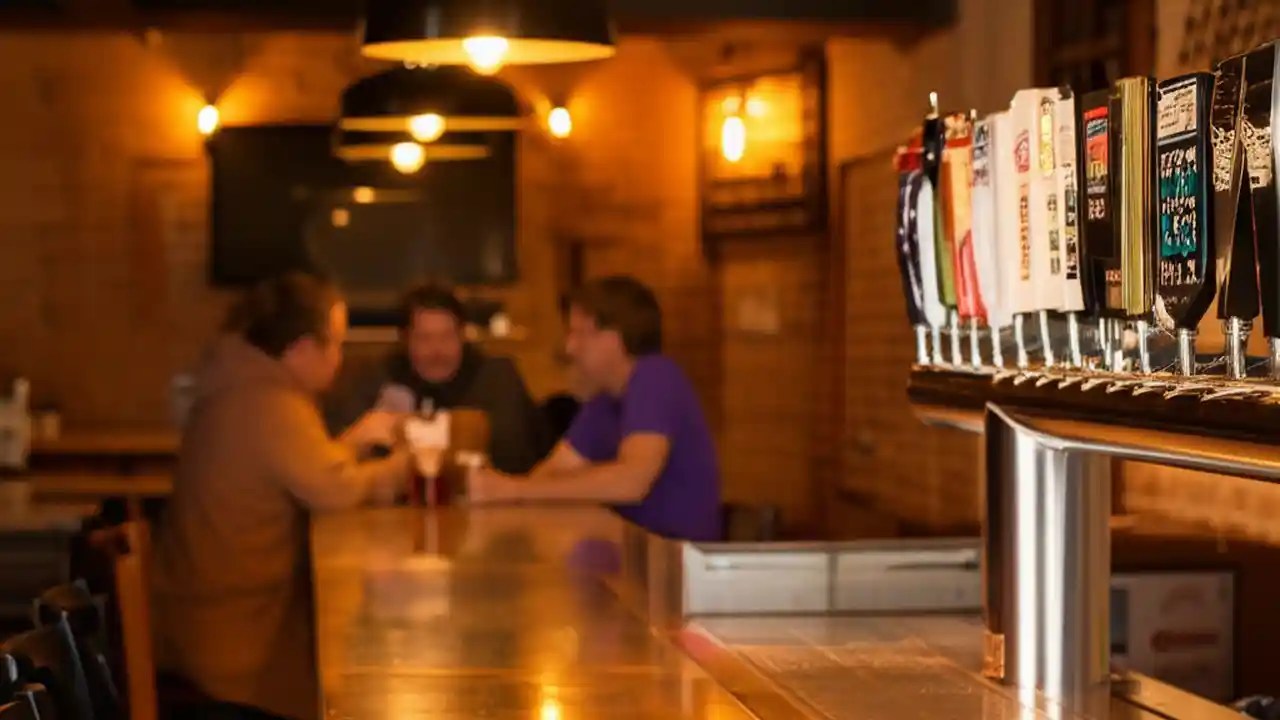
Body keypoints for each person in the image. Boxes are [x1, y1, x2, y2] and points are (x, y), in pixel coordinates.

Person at [152, 272, 412, 720]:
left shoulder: (244, 379)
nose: (339, 357)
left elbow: (303, 466)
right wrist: (404, 466)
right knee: (354, 664)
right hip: (230, 634)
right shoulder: (270, 402)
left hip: (199, 613)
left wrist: (351, 440)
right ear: (301, 350)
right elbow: (333, 489)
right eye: (334, 344)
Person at [468, 276, 722, 542]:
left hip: (677, 566)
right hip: (632, 557)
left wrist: (512, 490)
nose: (570, 347)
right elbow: (548, 474)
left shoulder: (656, 377)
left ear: (614, 337)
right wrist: (510, 489)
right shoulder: (605, 401)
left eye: (579, 333)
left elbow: (631, 482)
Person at [325, 282, 548, 473]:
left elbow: (513, 455)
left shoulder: (496, 378)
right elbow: (347, 458)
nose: (437, 350)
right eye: (424, 339)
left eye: (447, 337)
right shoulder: (378, 378)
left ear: (463, 336)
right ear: (405, 340)